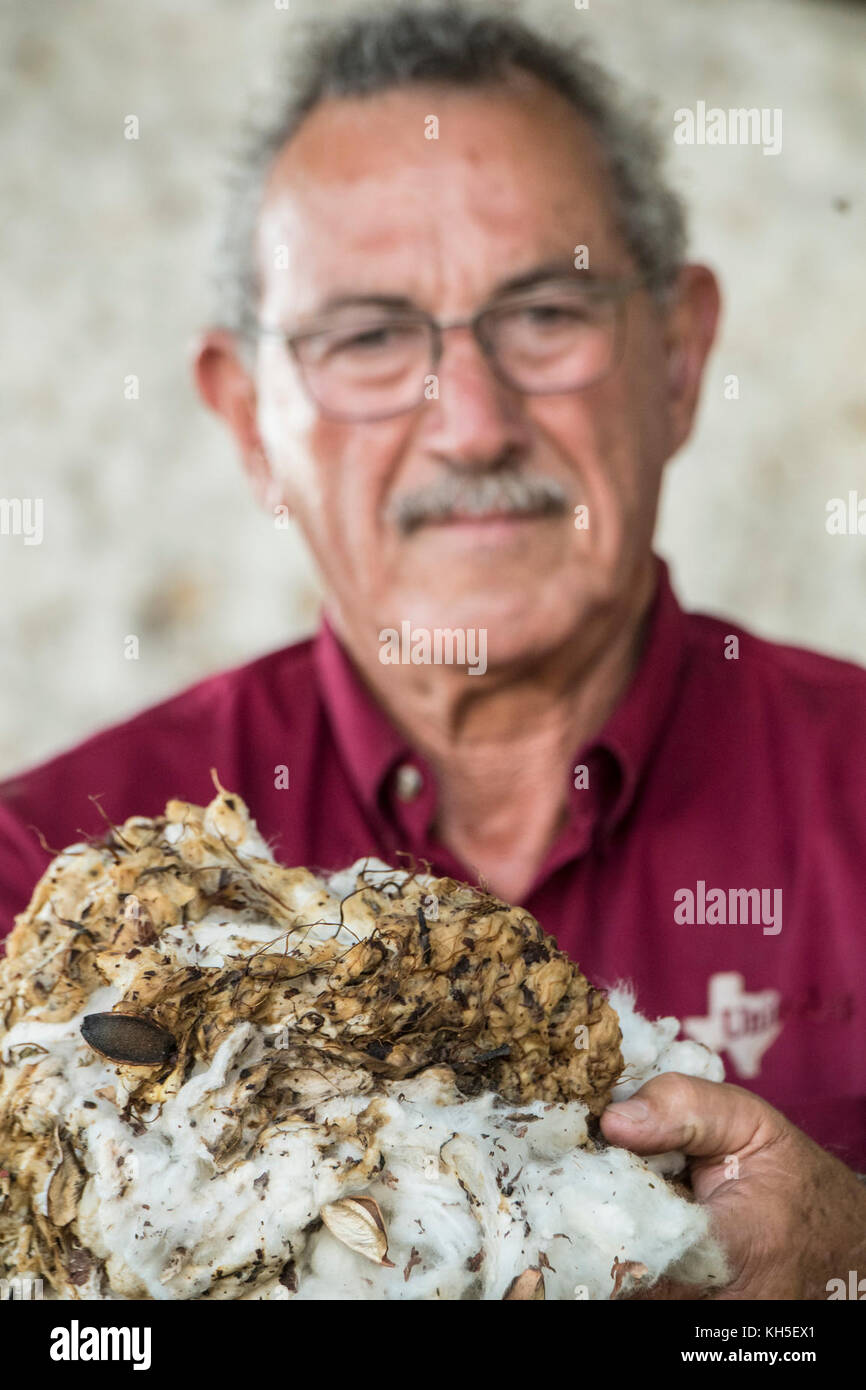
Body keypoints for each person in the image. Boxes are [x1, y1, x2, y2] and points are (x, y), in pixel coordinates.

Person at [2, 4, 864, 1298]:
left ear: (677, 357)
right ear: (248, 418)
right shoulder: (37, 886)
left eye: (546, 312)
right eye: (367, 338)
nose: (468, 422)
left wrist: (847, 1255)